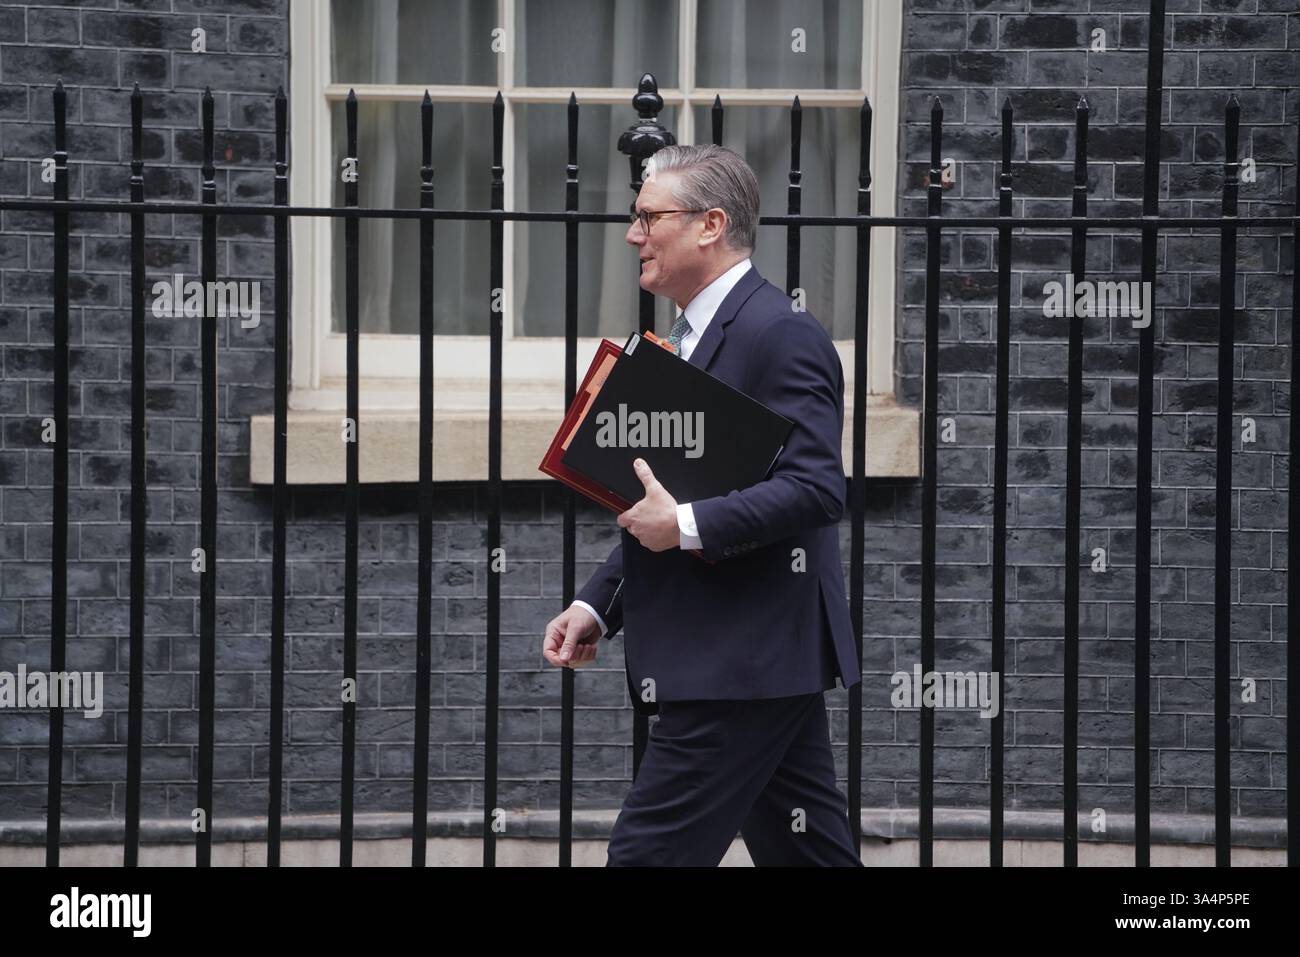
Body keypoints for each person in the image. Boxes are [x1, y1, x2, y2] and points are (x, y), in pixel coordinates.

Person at [541, 144, 863, 867]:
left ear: (711, 224)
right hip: (760, 661)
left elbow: (817, 487)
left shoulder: (780, 334)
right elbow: (669, 502)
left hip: (738, 665)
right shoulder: (692, 338)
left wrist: (685, 524)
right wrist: (598, 604)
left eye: (649, 216)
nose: (633, 235)